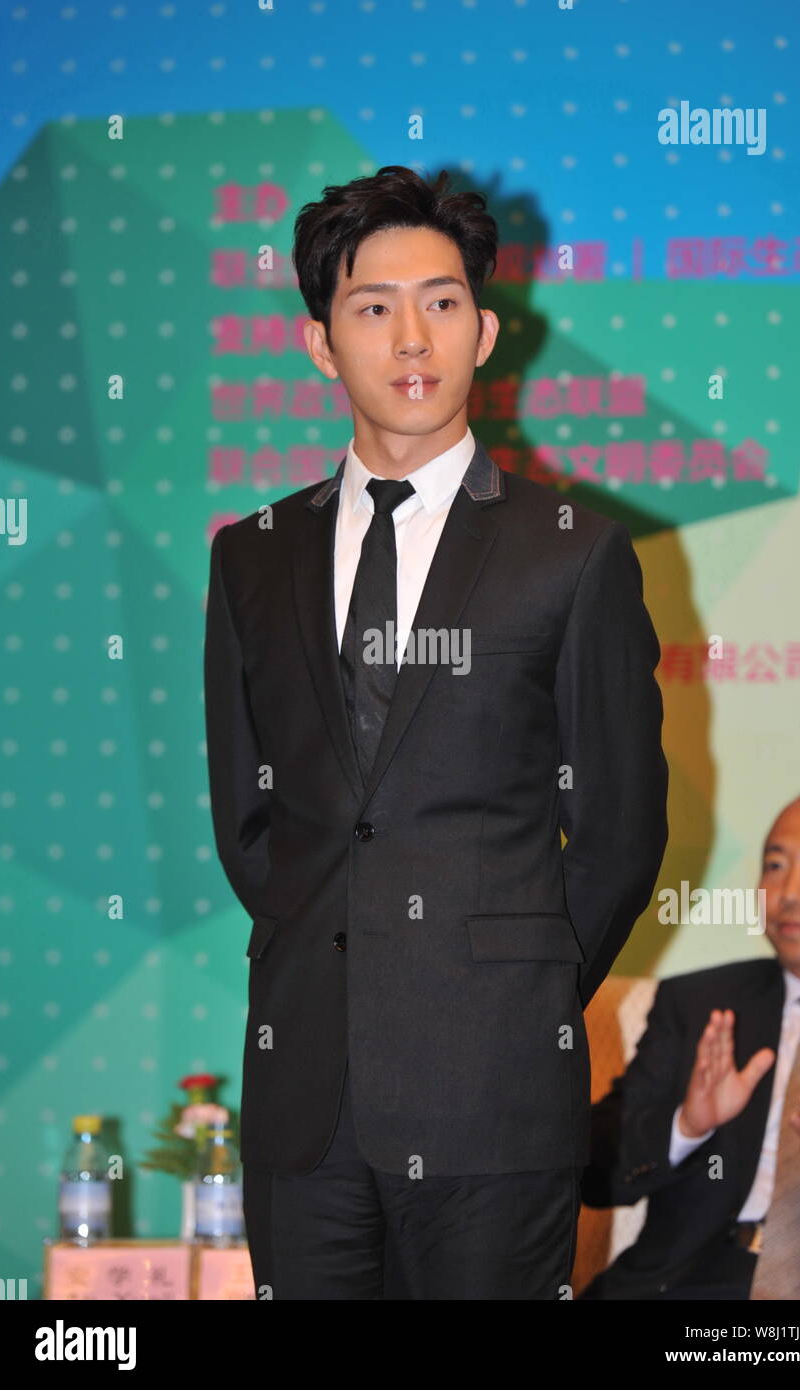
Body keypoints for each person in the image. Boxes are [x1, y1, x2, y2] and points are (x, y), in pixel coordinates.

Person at [203, 164, 668, 1300]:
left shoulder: (571, 552)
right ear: (321, 344)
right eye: (373, 307)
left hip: (495, 1095)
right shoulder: (252, 556)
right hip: (305, 1099)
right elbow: (252, 822)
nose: (412, 336)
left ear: (486, 331)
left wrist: (506, 986)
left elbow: (614, 836)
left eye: (443, 301)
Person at [578, 785, 800, 1301]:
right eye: (774, 865)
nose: (789, 890)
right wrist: (686, 1124)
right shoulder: (702, 1002)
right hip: (684, 1283)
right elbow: (595, 1175)